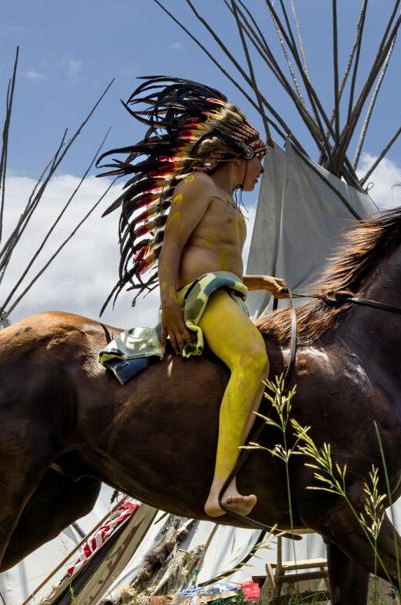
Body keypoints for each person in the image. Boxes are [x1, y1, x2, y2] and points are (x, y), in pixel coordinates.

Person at [97, 78, 288, 518]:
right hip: (201, 298)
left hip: (227, 292)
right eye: (259, 163)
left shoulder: (232, 206)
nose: (261, 172)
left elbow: (228, 268)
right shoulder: (198, 185)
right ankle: (220, 487)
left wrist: (261, 283)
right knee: (251, 358)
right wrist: (168, 305)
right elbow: (172, 250)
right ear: (240, 158)